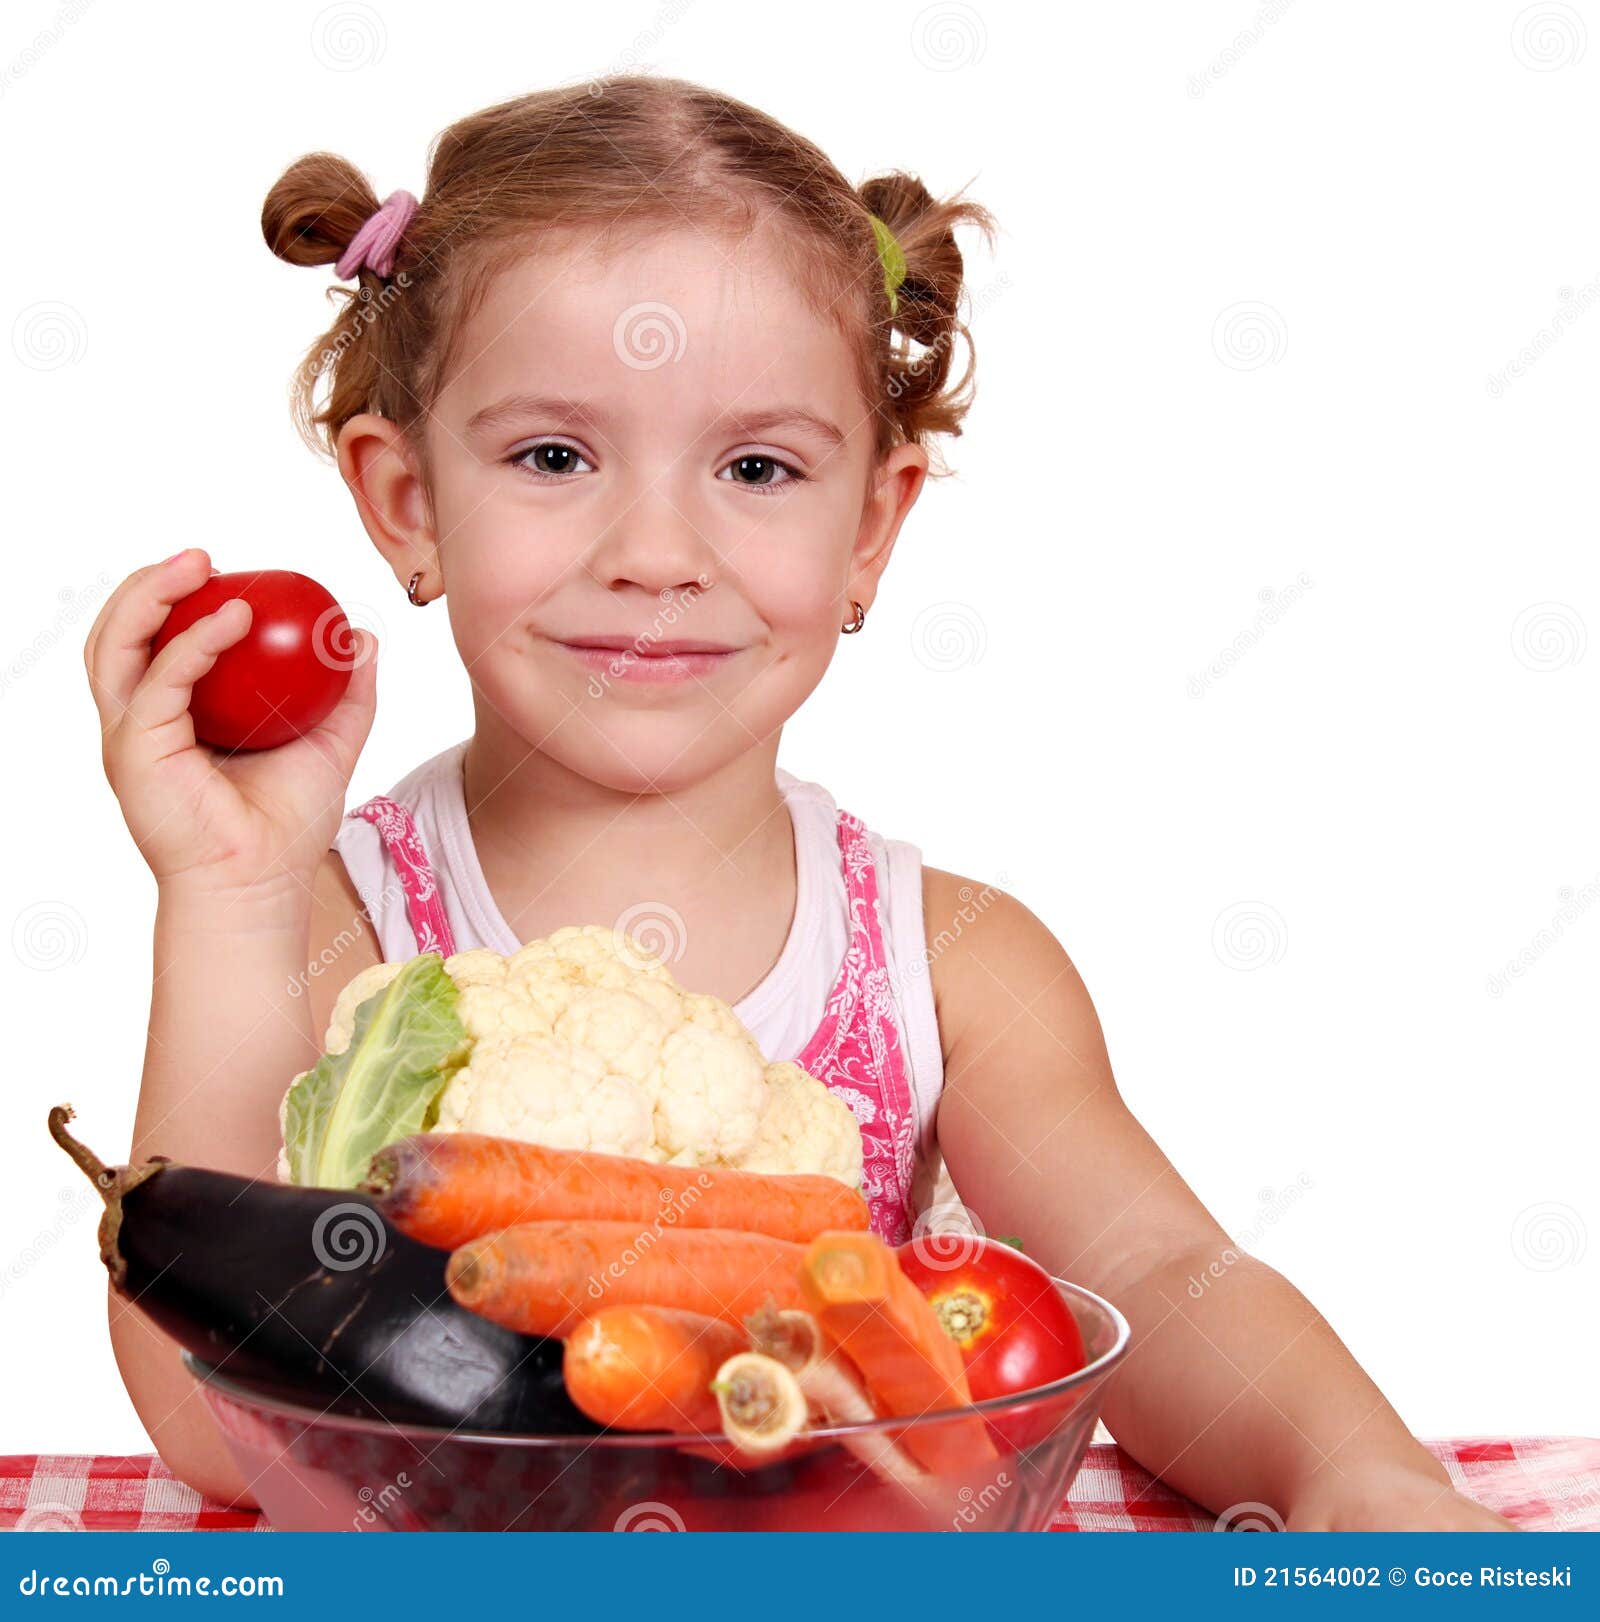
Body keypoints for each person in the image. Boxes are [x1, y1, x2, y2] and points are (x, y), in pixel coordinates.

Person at [84, 74, 1511, 1528]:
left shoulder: (949, 966)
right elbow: (216, 1414)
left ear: (871, 531)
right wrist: (227, 893)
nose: (655, 548)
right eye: (554, 456)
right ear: (405, 501)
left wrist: (1350, 1468)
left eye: (758, 466)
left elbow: (1151, 1273)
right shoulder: (335, 930)